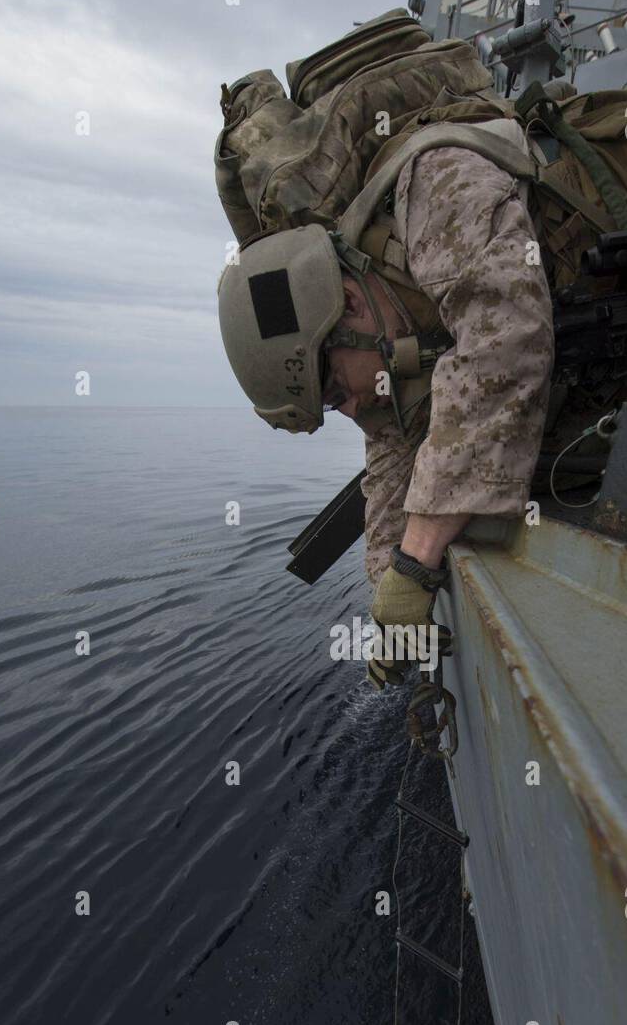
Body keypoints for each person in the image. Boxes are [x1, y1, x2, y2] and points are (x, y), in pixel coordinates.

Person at [218, 121, 554, 688]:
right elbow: (391, 464)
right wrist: (391, 603)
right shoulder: (382, 350)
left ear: (348, 303)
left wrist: (417, 558)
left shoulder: (437, 182)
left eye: (334, 392)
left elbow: (508, 343)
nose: (350, 410)